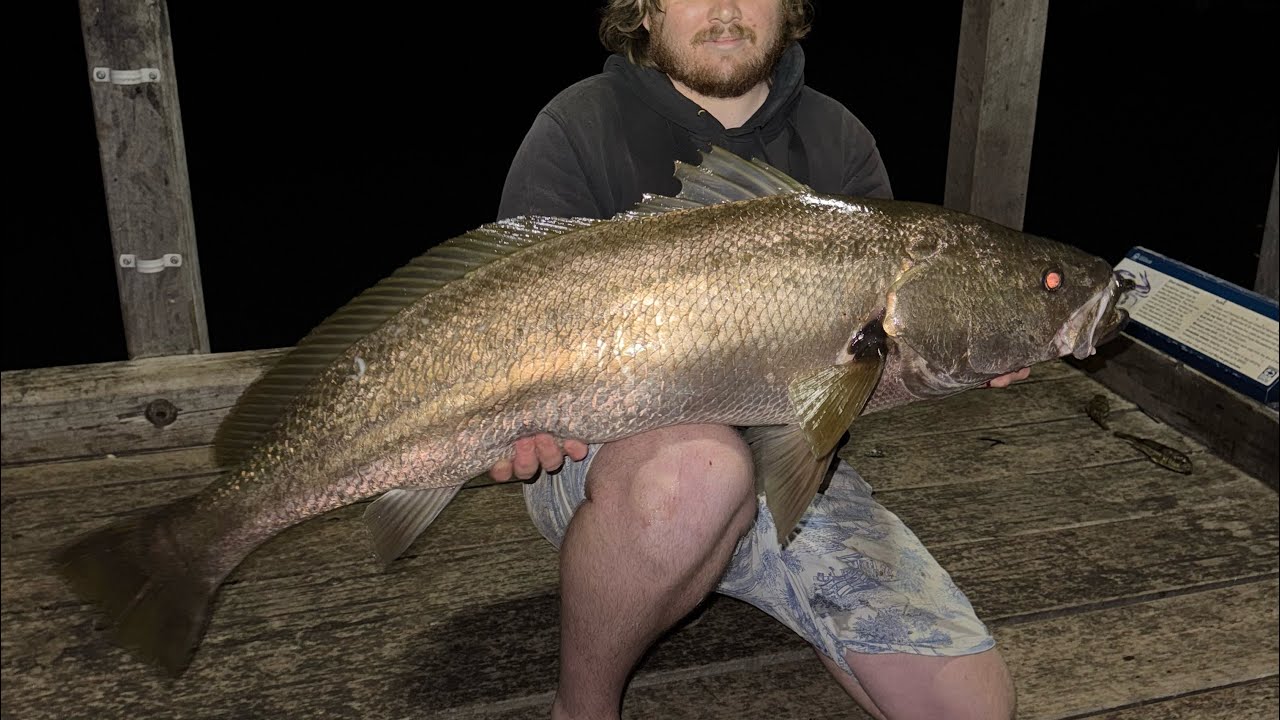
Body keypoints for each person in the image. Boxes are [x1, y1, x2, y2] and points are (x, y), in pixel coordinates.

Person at [491, 2, 1024, 718]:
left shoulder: (840, 139)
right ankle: (581, 706)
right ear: (643, 12)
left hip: (798, 463)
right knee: (699, 473)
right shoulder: (577, 126)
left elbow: (871, 366)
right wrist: (515, 415)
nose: (724, 10)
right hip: (611, 460)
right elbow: (505, 318)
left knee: (972, 710)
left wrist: (977, 344)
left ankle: (742, 560)